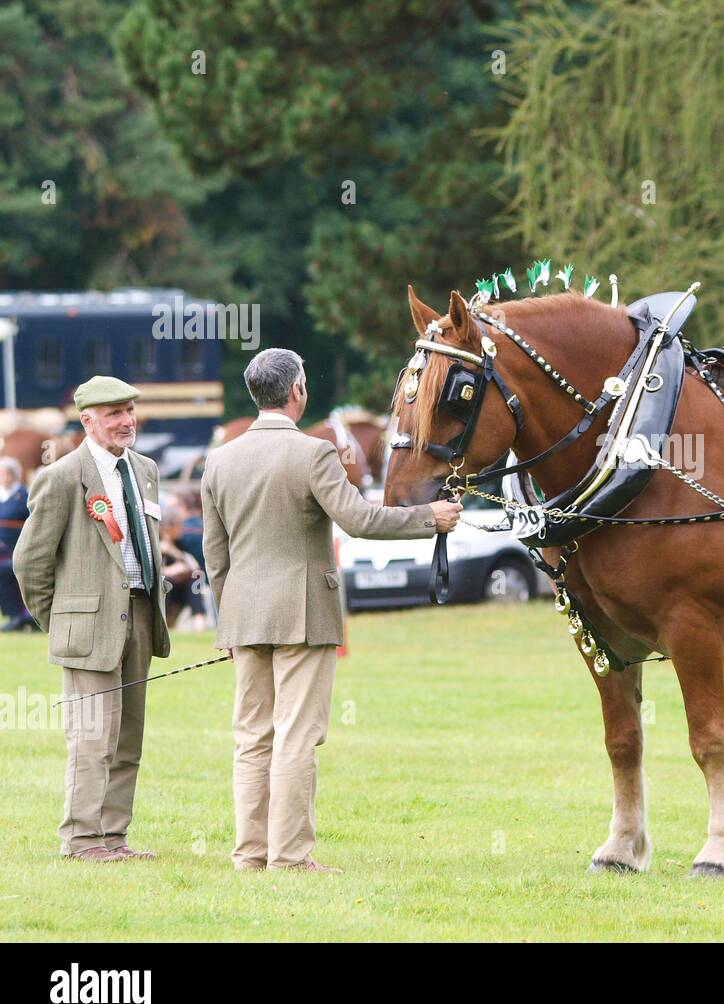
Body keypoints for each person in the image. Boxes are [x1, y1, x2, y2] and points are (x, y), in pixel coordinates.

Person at [202, 348, 461, 873]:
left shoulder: (219, 459)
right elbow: (360, 519)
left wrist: (226, 619)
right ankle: (291, 858)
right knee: (296, 737)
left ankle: (250, 855)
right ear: (297, 390)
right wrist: (427, 517)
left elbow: (215, 554)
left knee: (253, 738)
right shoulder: (314, 453)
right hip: (301, 613)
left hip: (243, 615)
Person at [14, 377, 171, 863]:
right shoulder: (61, 477)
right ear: (87, 421)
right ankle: (81, 840)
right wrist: (62, 619)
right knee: (91, 738)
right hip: (87, 629)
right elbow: (29, 563)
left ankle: (114, 837)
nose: (127, 421)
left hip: (141, 618)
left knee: (128, 738)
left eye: (129, 410)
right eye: (113, 414)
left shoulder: (144, 470)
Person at [0, 457, 35, 631]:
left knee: (9, 572)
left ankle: (25, 616)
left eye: (7, 474)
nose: (4, 478)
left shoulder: (24, 496)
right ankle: (12, 615)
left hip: (17, 549)